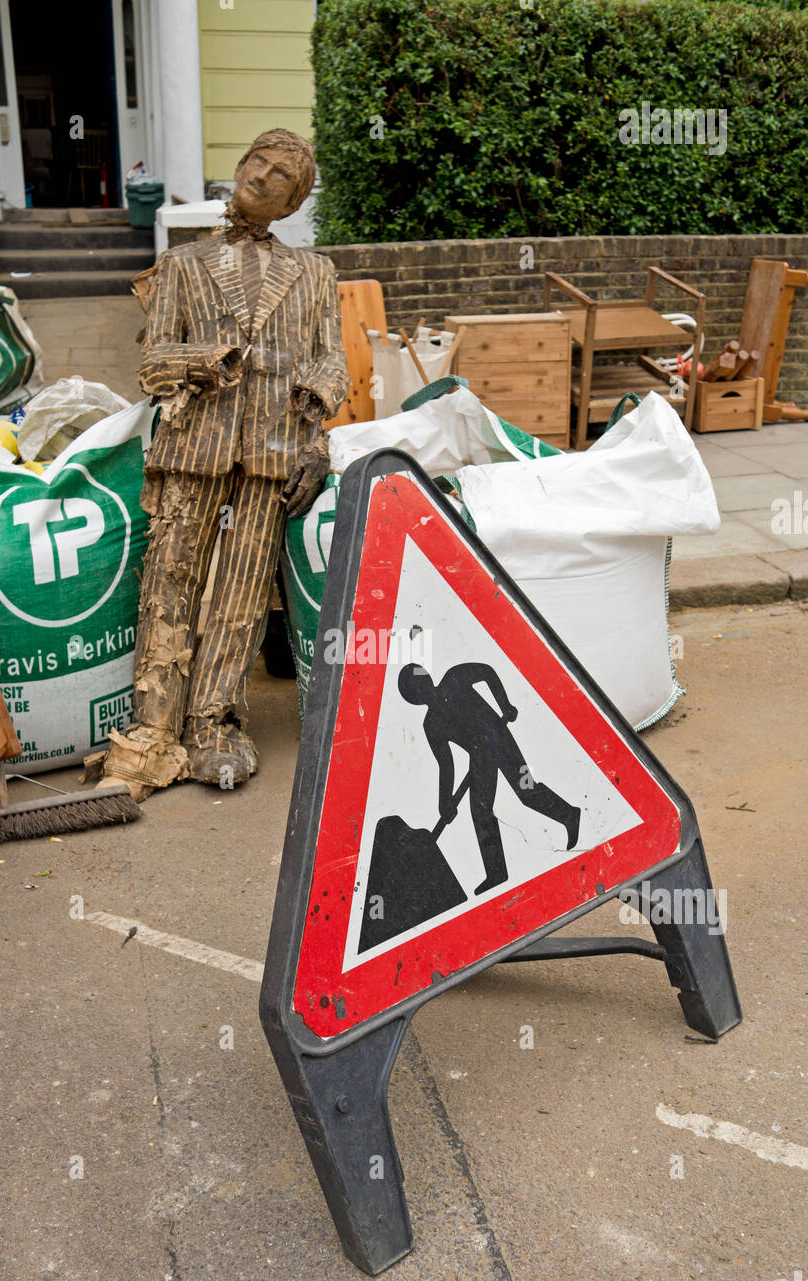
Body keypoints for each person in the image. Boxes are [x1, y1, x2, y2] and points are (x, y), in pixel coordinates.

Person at [101, 130, 349, 800]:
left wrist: (315, 438)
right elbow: (152, 363)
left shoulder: (314, 274)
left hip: (271, 458)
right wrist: (202, 362)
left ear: (294, 201)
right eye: (256, 164)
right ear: (239, 168)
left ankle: (215, 724)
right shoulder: (182, 265)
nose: (263, 179)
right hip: (193, 453)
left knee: (240, 598)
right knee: (170, 582)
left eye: (281, 178)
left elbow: (332, 360)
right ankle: (152, 728)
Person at [397, 662, 582, 895]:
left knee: (526, 791)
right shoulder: (431, 725)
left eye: (420, 685)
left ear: (427, 679)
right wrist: (444, 801)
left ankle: (570, 814)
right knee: (481, 811)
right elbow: (446, 764)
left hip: (497, 735)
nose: (422, 692)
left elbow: (487, 672)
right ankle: (496, 872)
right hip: (479, 756)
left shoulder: (453, 678)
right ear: (414, 700)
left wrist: (505, 704)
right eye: (415, 692)